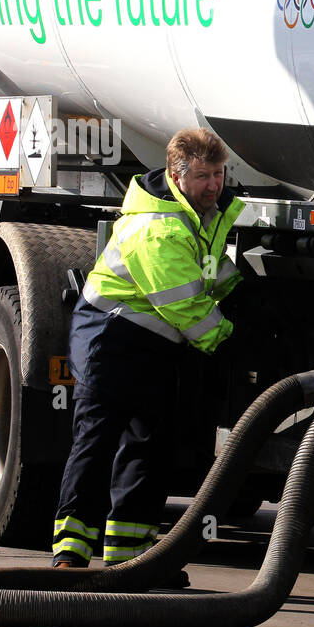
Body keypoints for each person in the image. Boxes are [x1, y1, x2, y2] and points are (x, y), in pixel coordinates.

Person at [51, 128, 244, 567]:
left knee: (148, 447)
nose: (214, 185)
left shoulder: (199, 216)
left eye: (219, 173)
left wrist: (241, 289)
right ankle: (70, 552)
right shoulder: (156, 229)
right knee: (96, 445)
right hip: (110, 341)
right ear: (177, 177)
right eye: (203, 176)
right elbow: (186, 305)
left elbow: (208, 275)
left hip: (152, 346)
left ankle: (129, 558)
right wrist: (230, 339)